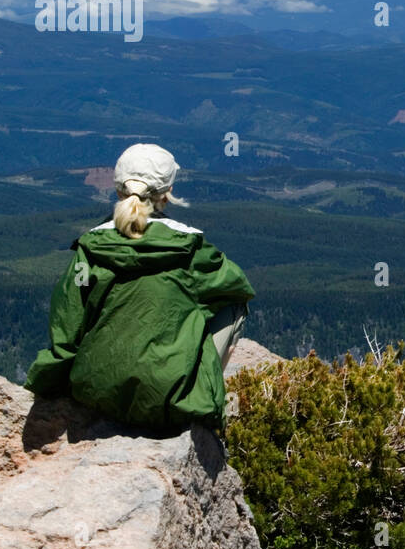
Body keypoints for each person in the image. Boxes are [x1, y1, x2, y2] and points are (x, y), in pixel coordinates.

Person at [25, 144, 255, 430]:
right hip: (170, 402)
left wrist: (48, 384)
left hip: (95, 394)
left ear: (118, 188)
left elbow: (67, 327)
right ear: (167, 192)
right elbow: (238, 285)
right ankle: (199, 391)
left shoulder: (90, 247)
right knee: (234, 306)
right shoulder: (191, 248)